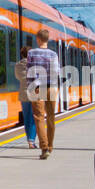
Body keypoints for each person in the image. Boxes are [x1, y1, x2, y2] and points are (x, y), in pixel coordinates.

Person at [26, 29, 61, 159]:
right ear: (47, 39)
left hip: (37, 87)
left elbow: (29, 71)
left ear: (38, 39)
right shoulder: (53, 54)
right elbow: (57, 72)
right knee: (51, 117)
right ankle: (50, 147)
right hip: (51, 87)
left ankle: (44, 147)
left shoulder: (32, 53)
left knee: (39, 117)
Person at [14, 46, 37, 148]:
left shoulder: (18, 65)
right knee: (34, 118)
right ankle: (32, 141)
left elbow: (18, 77)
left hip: (23, 94)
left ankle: (29, 140)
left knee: (27, 118)